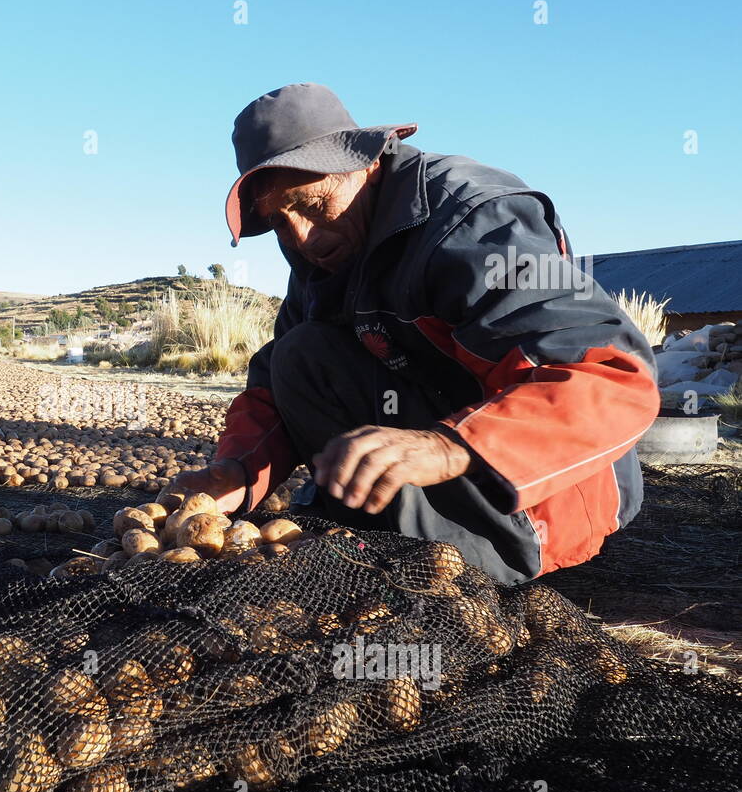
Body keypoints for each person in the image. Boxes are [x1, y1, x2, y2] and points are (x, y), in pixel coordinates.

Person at [174, 83, 659, 583]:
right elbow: (276, 386)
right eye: (279, 222)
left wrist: (449, 446)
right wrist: (236, 469)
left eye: (314, 206)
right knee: (298, 354)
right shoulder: (323, 252)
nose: (303, 239)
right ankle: (378, 536)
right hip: (431, 435)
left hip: (543, 500)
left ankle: (472, 554)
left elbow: (611, 378)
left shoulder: (474, 219)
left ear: (363, 164)